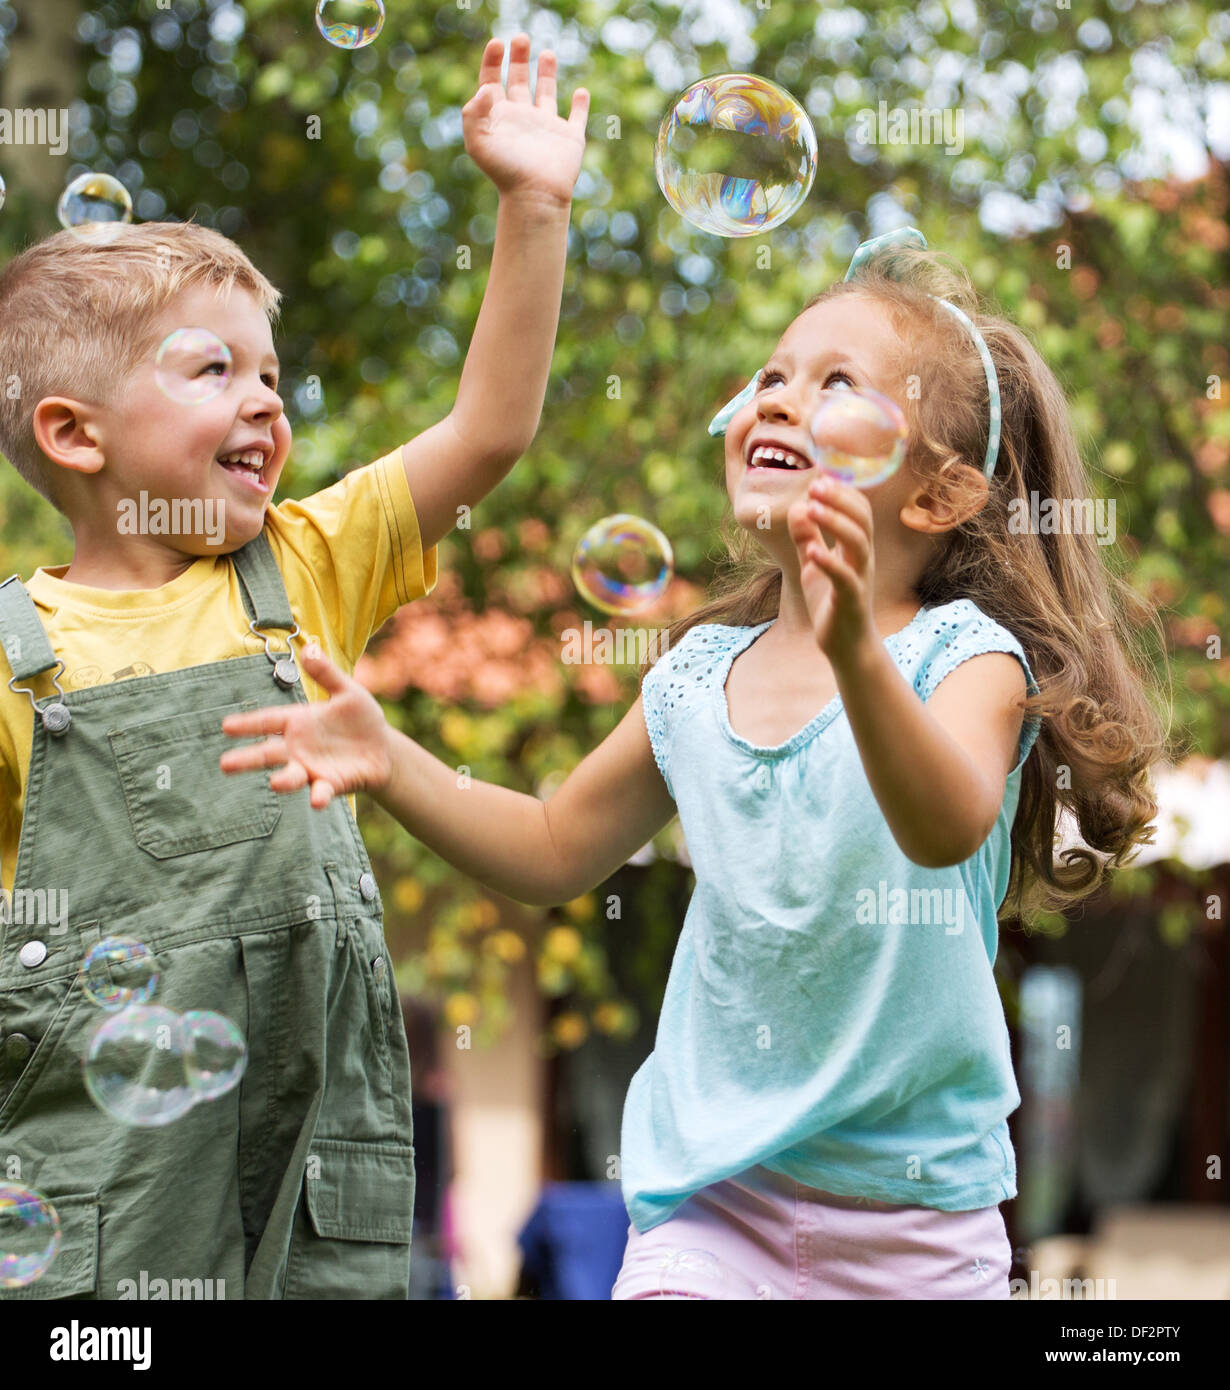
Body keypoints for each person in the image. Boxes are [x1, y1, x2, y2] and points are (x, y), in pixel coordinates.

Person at [217, 227, 1167, 1299]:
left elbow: (943, 820)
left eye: (833, 382)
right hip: (712, 1198)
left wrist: (856, 646)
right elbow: (549, 846)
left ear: (939, 495)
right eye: (770, 375)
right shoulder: (691, 678)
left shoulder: (966, 658)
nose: (774, 397)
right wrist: (387, 755)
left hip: (917, 1219)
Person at [0, 35, 587, 1300]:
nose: (269, 402)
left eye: (272, 373)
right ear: (71, 434)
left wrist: (533, 207)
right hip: (100, 1190)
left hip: (317, 1167)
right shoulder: (12, 659)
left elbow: (489, 431)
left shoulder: (301, 569)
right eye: (214, 371)